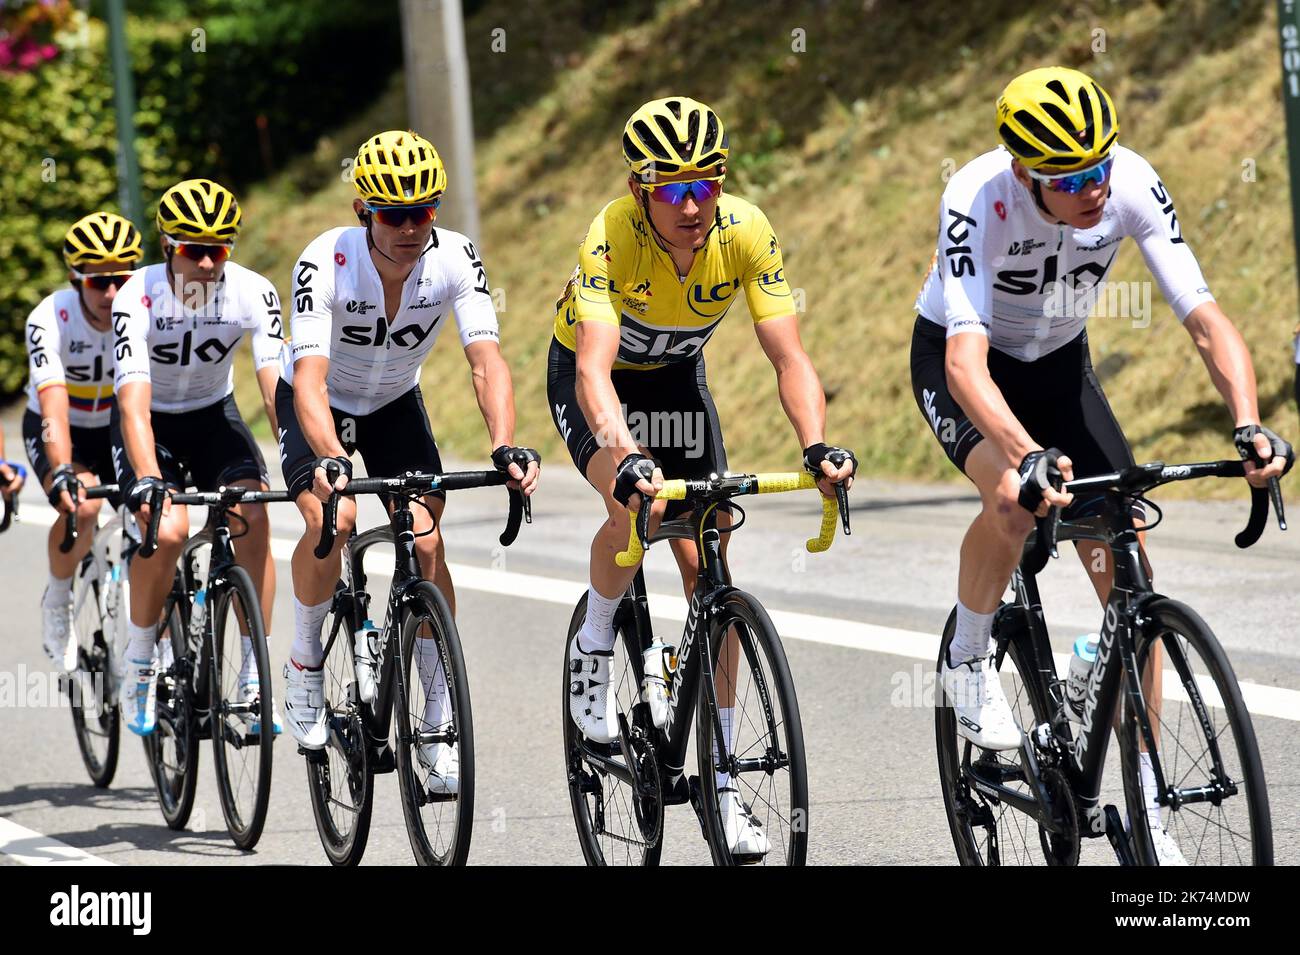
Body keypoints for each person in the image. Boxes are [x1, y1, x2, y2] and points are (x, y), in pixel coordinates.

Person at [910, 66, 1294, 863]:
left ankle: (1147, 799)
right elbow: (965, 366)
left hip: (1057, 366)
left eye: (1100, 169)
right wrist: (1026, 455)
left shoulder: (1132, 184)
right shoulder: (977, 198)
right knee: (1012, 501)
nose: (1092, 190)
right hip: (964, 363)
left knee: (1128, 560)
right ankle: (969, 655)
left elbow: (1204, 318)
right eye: (1069, 178)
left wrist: (1249, 421)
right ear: (1025, 173)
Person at [547, 96, 856, 857]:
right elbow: (592, 372)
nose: (692, 205)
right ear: (639, 190)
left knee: (710, 546)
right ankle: (595, 645)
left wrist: (816, 444)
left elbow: (789, 356)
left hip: (679, 384)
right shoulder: (610, 236)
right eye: (674, 189)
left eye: (706, 184)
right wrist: (627, 457)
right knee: (637, 511)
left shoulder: (745, 230)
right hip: (597, 385)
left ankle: (721, 779)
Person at [276, 129, 539, 796]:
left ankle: (438, 720)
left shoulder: (455, 257)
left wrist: (504, 444)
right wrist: (332, 457)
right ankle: (304, 662)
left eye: (423, 211)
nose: (410, 227)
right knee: (334, 519)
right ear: (363, 210)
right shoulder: (325, 260)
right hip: (321, 402)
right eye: (393, 214)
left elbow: (486, 361)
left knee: (425, 541)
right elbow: (308, 380)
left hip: (394, 402)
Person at [112, 178, 284, 736]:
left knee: (253, 512)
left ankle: (254, 675)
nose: (208, 263)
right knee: (165, 530)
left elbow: (274, 389)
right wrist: (147, 478)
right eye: (194, 249)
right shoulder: (135, 294)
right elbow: (133, 404)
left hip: (213, 415)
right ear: (167, 245)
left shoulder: (253, 291)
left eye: (219, 249)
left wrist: (298, 458)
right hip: (151, 420)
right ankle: (141, 659)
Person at [23, 212, 142, 671]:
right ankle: (57, 600)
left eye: (121, 279)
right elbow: (52, 403)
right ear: (76, 279)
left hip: (115, 424)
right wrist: (62, 469)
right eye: (98, 282)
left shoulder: (145, 310)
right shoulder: (50, 318)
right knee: (84, 506)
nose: (111, 294)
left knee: (154, 514)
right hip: (62, 427)